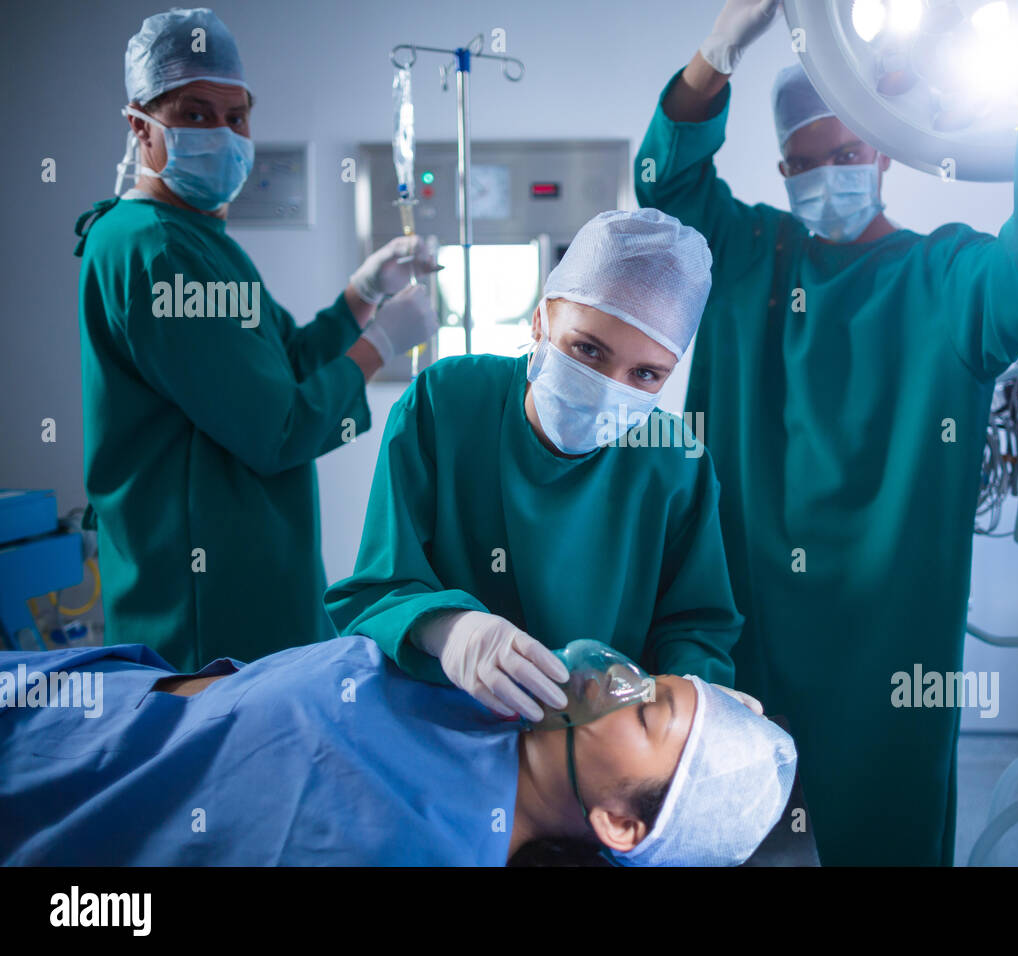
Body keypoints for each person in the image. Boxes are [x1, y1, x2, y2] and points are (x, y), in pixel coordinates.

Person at [634, 0, 1018, 864]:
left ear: (883, 151)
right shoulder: (749, 258)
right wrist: (717, 50)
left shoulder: (944, 277)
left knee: (885, 840)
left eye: (845, 154)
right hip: (742, 618)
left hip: (888, 648)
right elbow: (666, 188)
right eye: (804, 164)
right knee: (724, 831)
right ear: (780, 170)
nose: (827, 176)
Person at [75, 8, 439, 671]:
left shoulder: (195, 236)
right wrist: (382, 345)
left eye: (236, 116)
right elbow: (279, 429)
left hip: (246, 582)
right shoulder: (155, 250)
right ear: (139, 126)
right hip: (204, 607)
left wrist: (363, 294)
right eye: (194, 114)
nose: (223, 132)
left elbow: (284, 363)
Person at [326, 209, 760, 722]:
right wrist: (449, 629)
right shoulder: (445, 404)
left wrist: (690, 701)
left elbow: (694, 624)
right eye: (588, 350)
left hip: (593, 746)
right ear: (541, 321)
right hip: (441, 723)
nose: (609, 388)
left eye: (645, 373)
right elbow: (381, 583)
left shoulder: (675, 462)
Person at [0, 638, 796, 865]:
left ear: (621, 825)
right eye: (648, 677)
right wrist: (439, 626)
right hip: (85, 699)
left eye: (647, 714)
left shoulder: (437, 843)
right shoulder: (488, 701)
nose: (620, 681)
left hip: (60, 791)